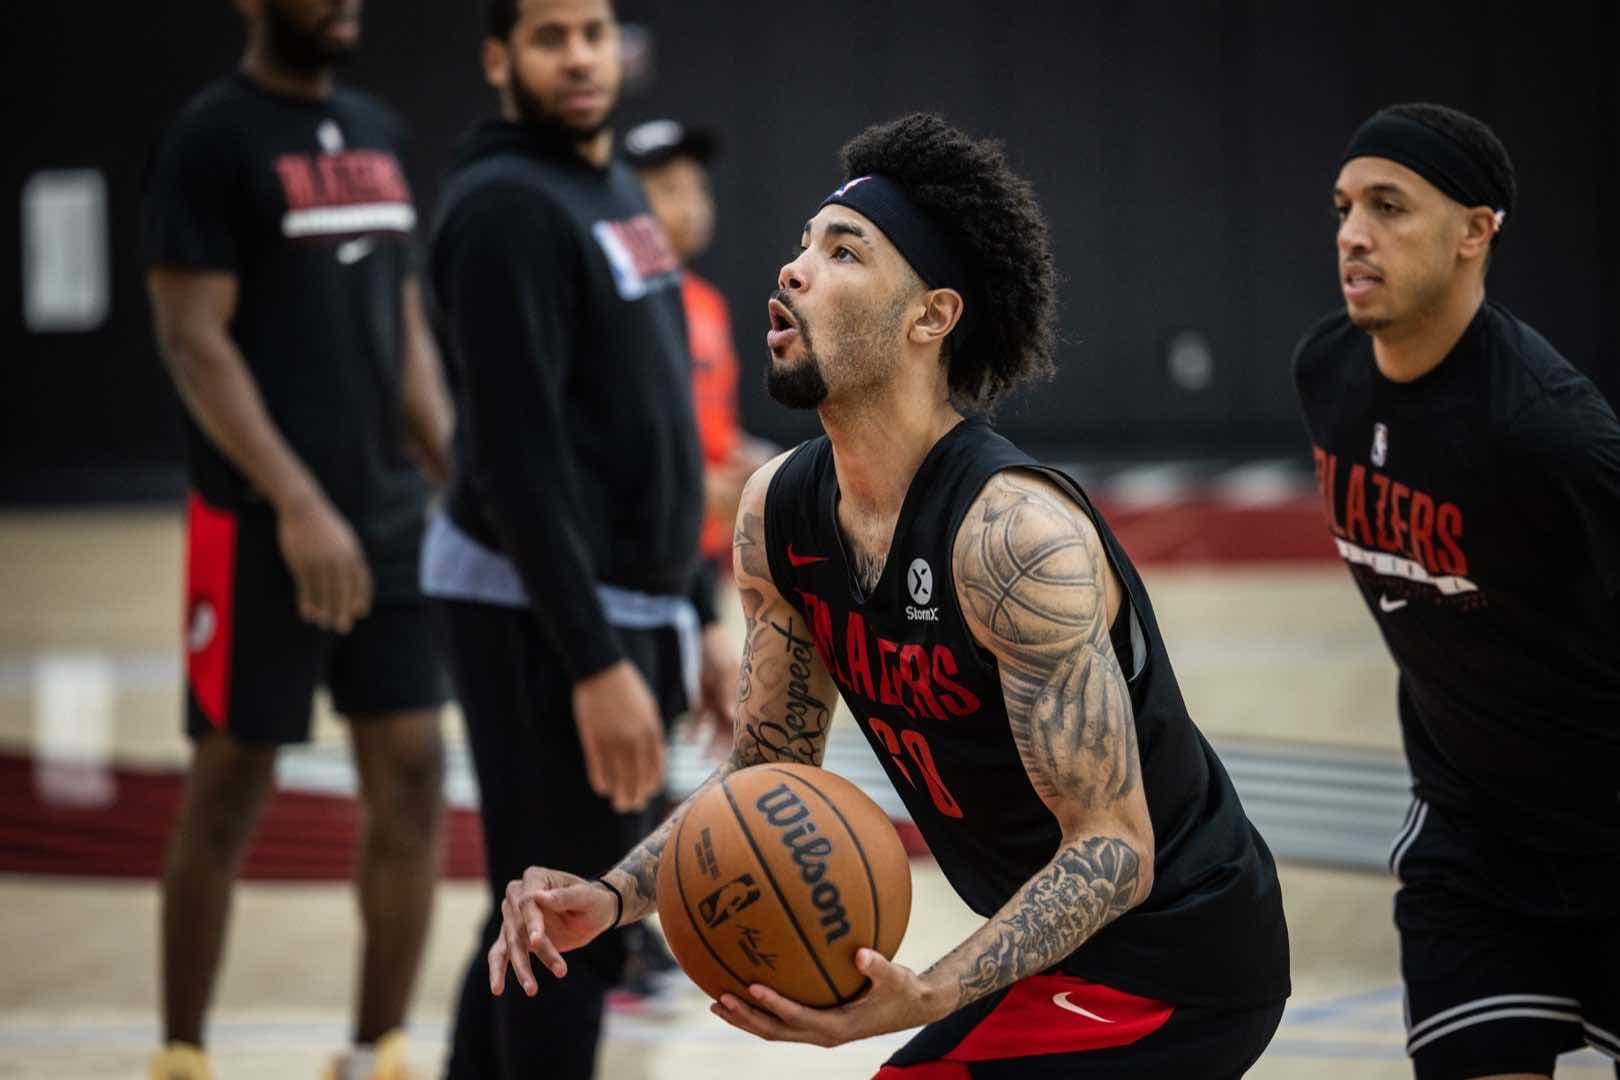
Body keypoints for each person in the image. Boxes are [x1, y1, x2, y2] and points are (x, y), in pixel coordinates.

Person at [488, 113, 1292, 1079]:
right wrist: (613, 897)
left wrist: (934, 991)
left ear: (931, 316)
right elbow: (765, 773)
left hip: (1177, 959)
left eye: (843, 252)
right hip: (1052, 956)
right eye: (801, 247)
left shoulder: (1013, 538)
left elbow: (1115, 849)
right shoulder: (779, 513)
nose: (793, 271)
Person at [419, 1, 735, 1076]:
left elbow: (654, 423)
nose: (579, 56)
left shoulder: (607, 189)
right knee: (569, 931)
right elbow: (517, 462)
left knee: (535, 911)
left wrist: (696, 609)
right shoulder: (506, 208)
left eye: (592, 32)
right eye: (549, 37)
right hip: (540, 614)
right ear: (498, 58)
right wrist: (595, 663)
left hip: (623, 602)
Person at [141, 1, 453, 1078]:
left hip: (389, 513)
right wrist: (296, 501)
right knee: (229, 787)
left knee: (413, 772)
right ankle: (182, 1052)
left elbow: (403, 329)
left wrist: (459, 473)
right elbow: (192, 339)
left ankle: (377, 1049)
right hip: (257, 524)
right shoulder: (211, 137)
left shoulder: (376, 130)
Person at [1294, 102, 1620, 1080]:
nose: (1354, 234)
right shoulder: (1327, 372)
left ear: (1476, 231)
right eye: (1345, 207)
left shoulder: (1553, 435)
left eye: (1389, 206)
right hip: (1470, 842)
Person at [623, 118, 776, 580]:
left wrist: (757, 464)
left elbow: (713, 422)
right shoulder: (618, 300)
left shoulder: (707, 303)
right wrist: (695, 485)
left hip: (705, 545)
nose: (690, 206)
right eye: (668, 190)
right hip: (640, 542)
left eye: (698, 189)